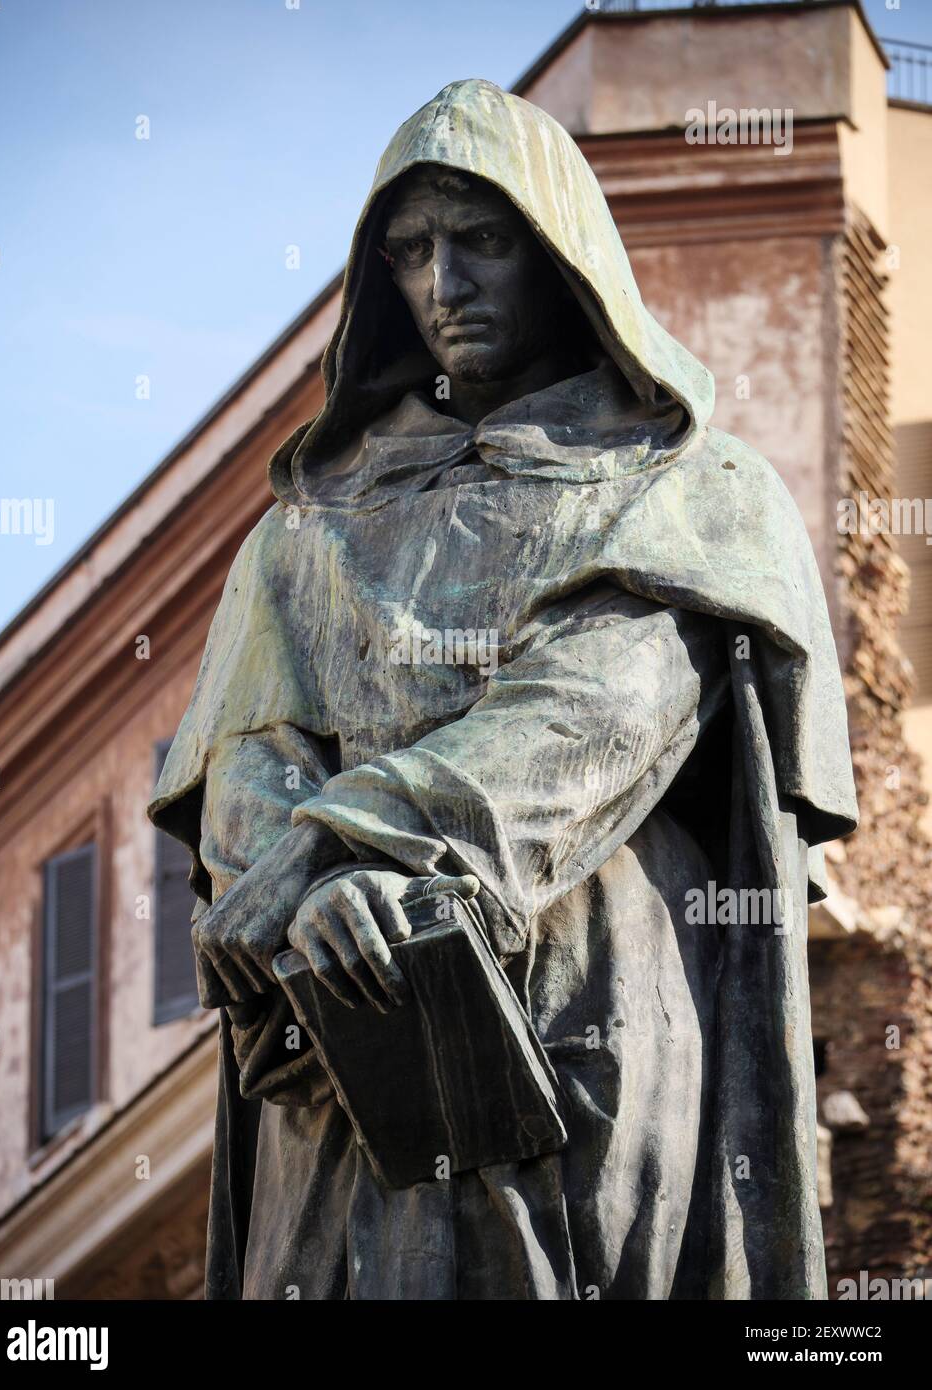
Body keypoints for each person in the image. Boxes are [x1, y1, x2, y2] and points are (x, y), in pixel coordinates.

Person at [149, 79, 857, 1300]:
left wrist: (353, 853)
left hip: (589, 996)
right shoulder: (302, 530)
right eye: (412, 250)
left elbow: (603, 708)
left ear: (561, 254)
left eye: (482, 241)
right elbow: (245, 755)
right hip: (343, 1032)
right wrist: (298, 872)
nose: (444, 285)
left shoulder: (692, 487)